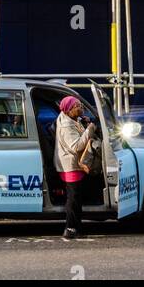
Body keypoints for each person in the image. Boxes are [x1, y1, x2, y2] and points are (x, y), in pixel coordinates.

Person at [54, 94, 95, 241]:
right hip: (70, 165)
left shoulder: (69, 118)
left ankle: (77, 226)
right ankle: (70, 228)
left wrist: (83, 123)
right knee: (73, 198)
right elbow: (76, 146)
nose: (80, 107)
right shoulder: (67, 125)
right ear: (68, 110)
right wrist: (89, 129)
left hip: (71, 164)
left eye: (80, 104)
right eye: (77, 106)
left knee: (76, 197)